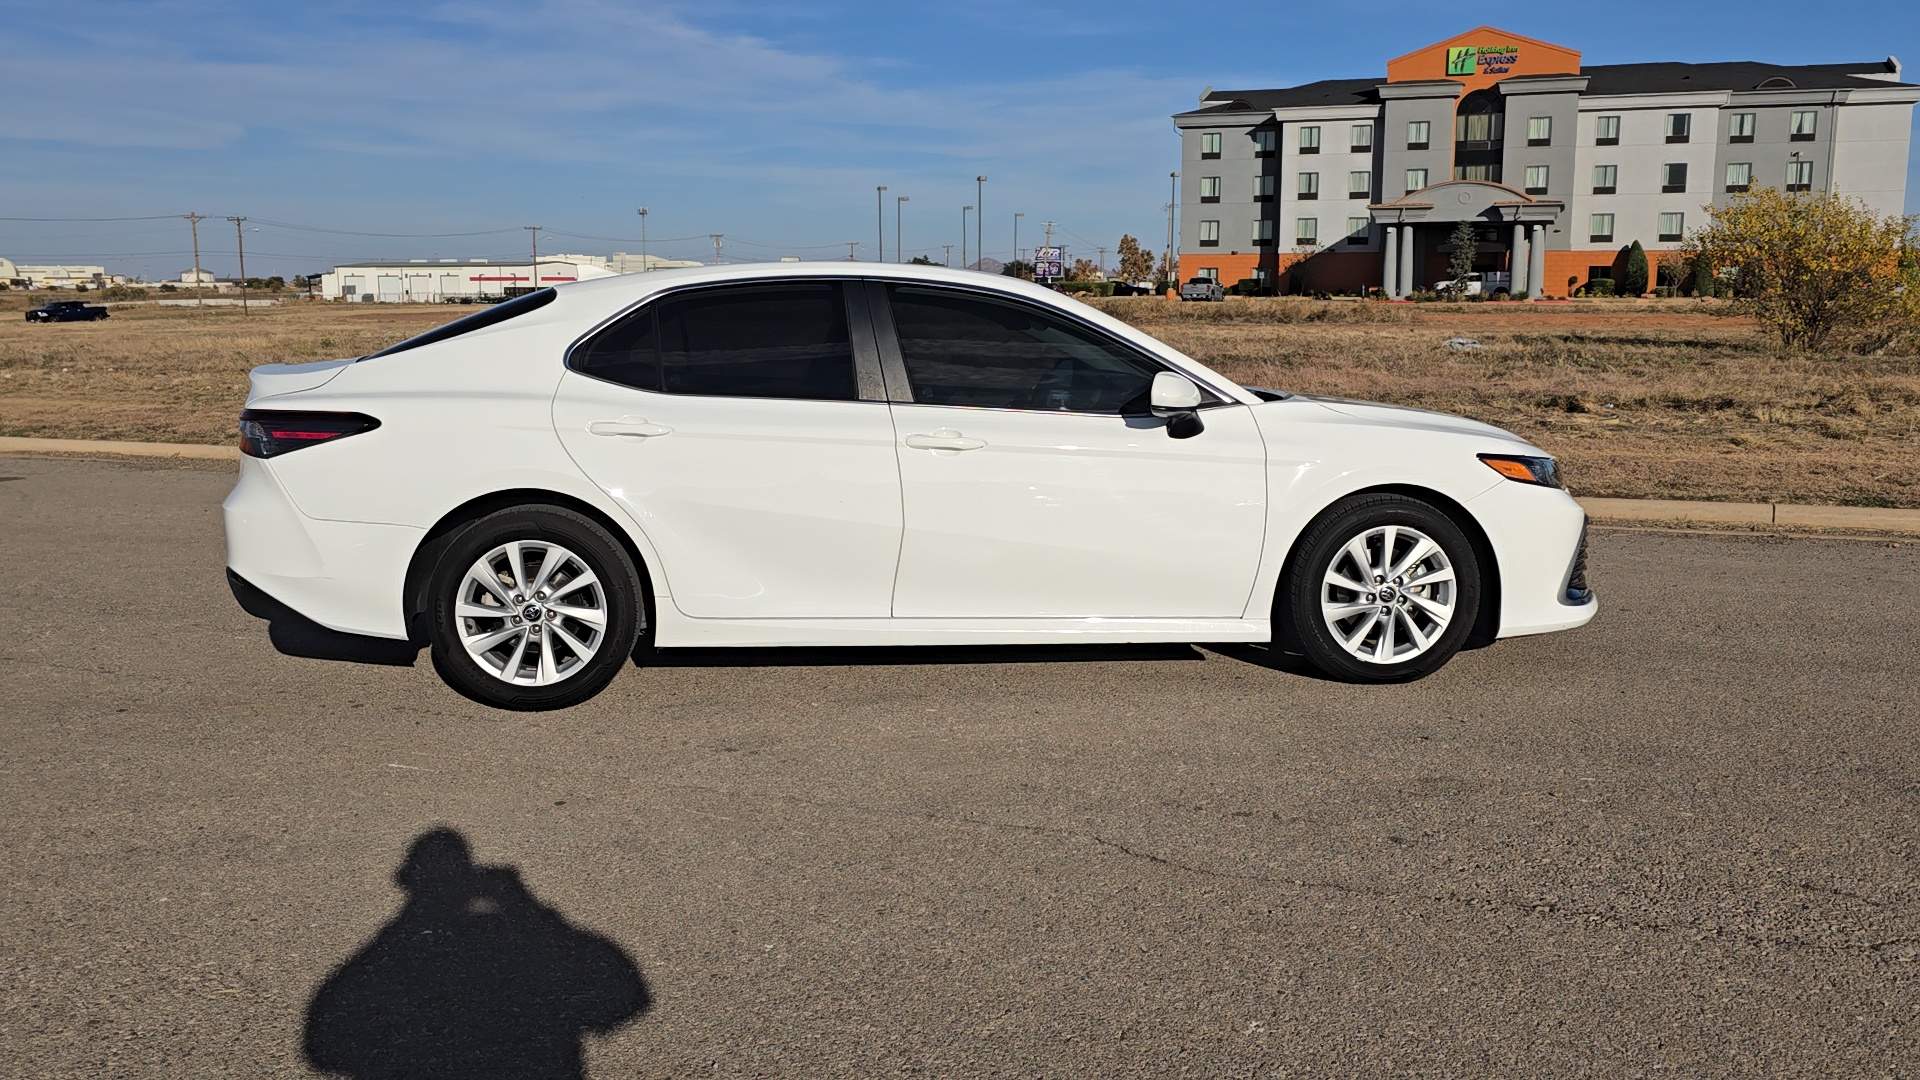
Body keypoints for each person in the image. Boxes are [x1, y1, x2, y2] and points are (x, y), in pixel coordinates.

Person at [304, 829, 649, 1080]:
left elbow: (324, 1041)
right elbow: (626, 996)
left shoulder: (396, 953)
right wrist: (531, 914)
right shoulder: (535, 948)